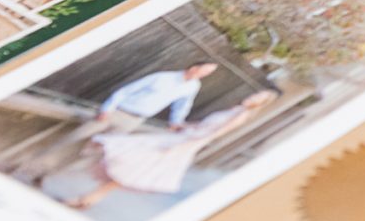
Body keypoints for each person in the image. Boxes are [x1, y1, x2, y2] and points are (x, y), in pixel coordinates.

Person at [62, 90, 280, 210]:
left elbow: (213, 134)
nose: (252, 97)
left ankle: (88, 198)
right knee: (133, 165)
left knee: (135, 165)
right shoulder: (236, 109)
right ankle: (90, 198)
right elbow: (204, 126)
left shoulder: (239, 115)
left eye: (257, 97)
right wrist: (185, 126)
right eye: (254, 94)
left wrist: (184, 141)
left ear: (261, 103)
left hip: (183, 144)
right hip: (183, 136)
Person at [14, 62, 219, 185]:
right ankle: (20, 166)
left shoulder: (192, 87)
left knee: (91, 151)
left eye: (209, 73)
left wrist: (176, 123)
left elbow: (181, 106)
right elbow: (125, 91)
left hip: (132, 121)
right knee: (71, 139)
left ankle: (44, 176)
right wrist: (106, 108)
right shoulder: (162, 78)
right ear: (194, 67)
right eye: (205, 70)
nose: (205, 74)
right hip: (115, 113)